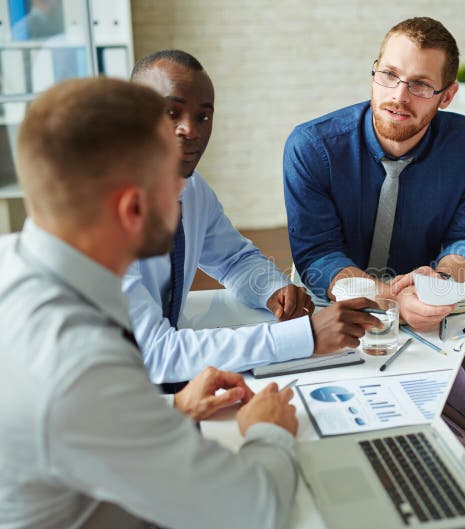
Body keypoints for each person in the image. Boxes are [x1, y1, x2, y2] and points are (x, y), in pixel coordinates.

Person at [0, 77, 328, 529]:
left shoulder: (19, 264)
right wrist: (269, 431)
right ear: (133, 209)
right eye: (171, 176)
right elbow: (253, 514)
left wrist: (168, 414)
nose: (185, 184)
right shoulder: (82, 368)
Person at [125, 49, 380, 388]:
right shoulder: (104, 212)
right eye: (172, 112)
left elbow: (233, 259)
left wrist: (273, 290)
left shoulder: (193, 190)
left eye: (203, 117)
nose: (191, 130)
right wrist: (306, 337)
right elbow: (154, 354)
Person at [284, 17, 465, 331]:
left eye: (420, 85)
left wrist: (441, 284)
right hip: (333, 298)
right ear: (375, 70)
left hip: (427, 303)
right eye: (390, 75)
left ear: (447, 96)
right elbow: (320, 254)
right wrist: (392, 300)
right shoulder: (312, 147)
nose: (399, 96)